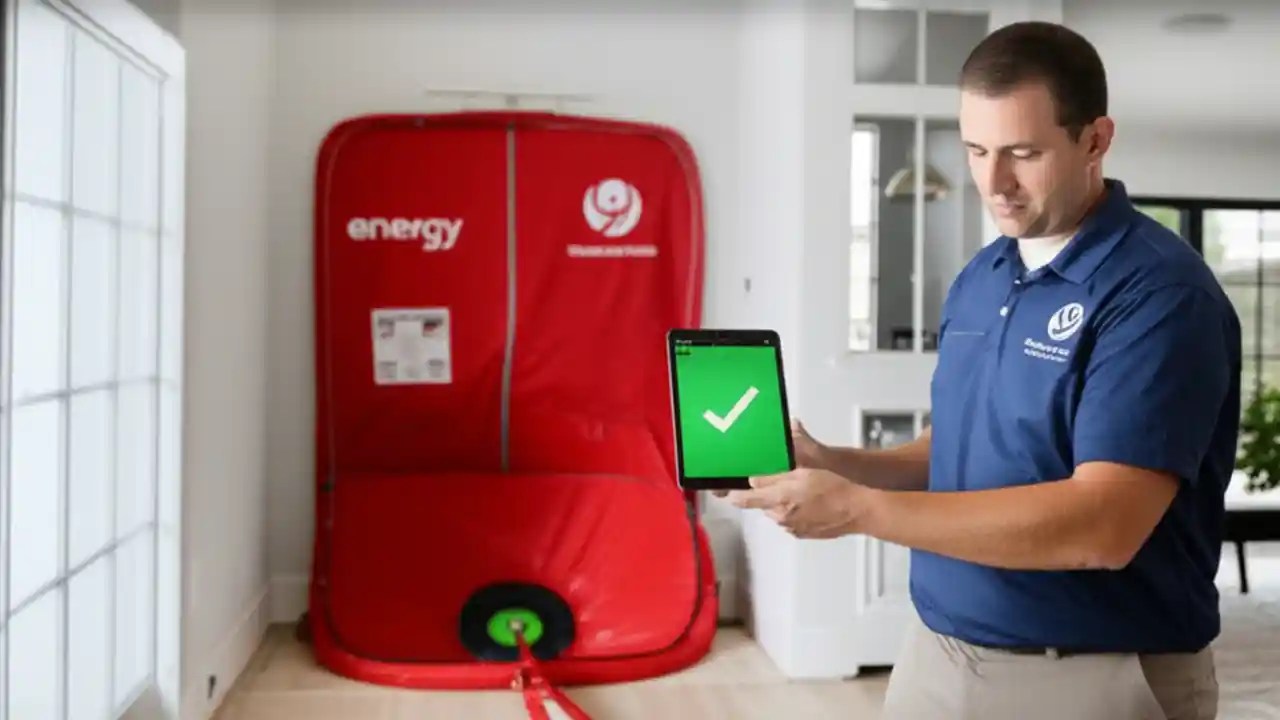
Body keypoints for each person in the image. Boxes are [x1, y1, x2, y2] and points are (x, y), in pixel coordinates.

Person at [724, 20, 1240, 720]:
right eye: (976, 150)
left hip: (1092, 673)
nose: (994, 183)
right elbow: (956, 449)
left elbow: (1103, 525)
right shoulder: (984, 275)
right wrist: (838, 463)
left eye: (1024, 153)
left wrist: (860, 510)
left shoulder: (1160, 295)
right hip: (937, 653)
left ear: (1096, 140)